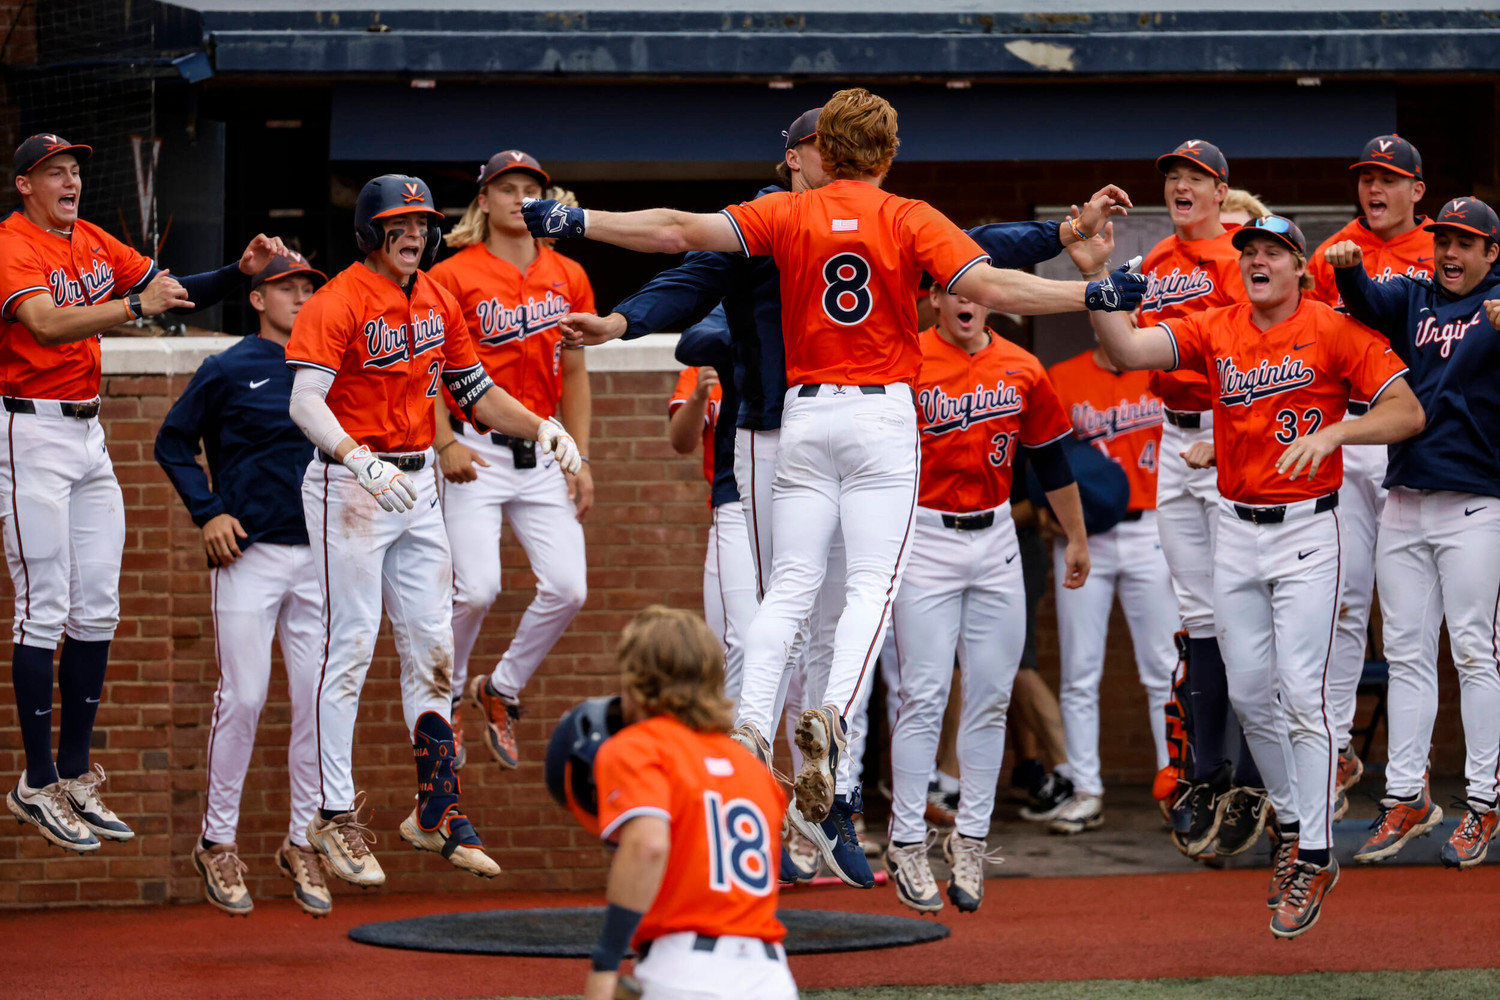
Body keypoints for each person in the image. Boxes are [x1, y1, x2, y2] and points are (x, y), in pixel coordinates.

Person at [524, 88, 1145, 889]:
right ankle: (826, 725)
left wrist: (581, 224)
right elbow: (986, 281)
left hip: (807, 417)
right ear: (882, 155)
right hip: (872, 417)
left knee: (790, 592)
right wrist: (1090, 292)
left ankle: (761, 736)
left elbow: (675, 228)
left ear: (830, 153)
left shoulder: (785, 216)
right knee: (867, 597)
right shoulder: (903, 213)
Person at [1085, 214, 1424, 938]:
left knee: (1301, 693)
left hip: (1309, 526)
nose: (1258, 260)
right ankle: (1299, 824)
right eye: (1250, 252)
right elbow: (1126, 348)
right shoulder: (1216, 324)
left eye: (1273, 251)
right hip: (1235, 530)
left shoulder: (1333, 327)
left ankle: (1314, 853)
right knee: (1249, 693)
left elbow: (1405, 410)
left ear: (1300, 265)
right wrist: (1100, 285)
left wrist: (1336, 431)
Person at [283, 173, 581, 887]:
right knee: (349, 643)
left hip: (417, 481)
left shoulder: (435, 295)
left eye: (421, 222)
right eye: (399, 223)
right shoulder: (338, 298)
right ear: (369, 231)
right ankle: (331, 816)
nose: (414, 232)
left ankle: (436, 809)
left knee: (436, 648)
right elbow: (304, 401)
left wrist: (544, 427)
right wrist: (356, 460)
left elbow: (473, 388)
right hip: (352, 482)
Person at [0, 132, 293, 852]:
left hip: (86, 433)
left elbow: (173, 290)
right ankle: (35, 782)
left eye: (73, 170)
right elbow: (43, 323)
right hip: (27, 430)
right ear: (24, 186)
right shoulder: (12, 242)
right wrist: (133, 308)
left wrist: (238, 270)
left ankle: (73, 775)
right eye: (53, 172)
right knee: (45, 608)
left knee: (98, 603)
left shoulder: (94, 240)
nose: (68, 181)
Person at [885, 280, 1089, 914]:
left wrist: (1076, 536)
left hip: (997, 532)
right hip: (924, 534)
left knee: (992, 696)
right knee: (923, 692)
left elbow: (1052, 459)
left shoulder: (1022, 365)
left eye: (978, 292)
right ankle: (907, 840)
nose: (968, 302)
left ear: (992, 301)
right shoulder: (904, 358)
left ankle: (970, 838)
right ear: (936, 301)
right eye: (954, 292)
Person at [1093, 140, 1265, 857]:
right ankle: (1206, 772)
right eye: (1172, 177)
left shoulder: (1242, 257)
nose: (1181, 187)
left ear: (1222, 191)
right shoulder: (1156, 264)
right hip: (1174, 433)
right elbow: (1113, 357)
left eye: (1195, 177)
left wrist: (1231, 437)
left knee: (1246, 608)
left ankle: (1256, 778)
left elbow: (1268, 356)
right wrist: (1102, 285)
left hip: (1235, 434)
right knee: (1196, 614)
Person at [154, 254, 331, 917]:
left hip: (320, 559)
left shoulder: (329, 368)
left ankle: (301, 840)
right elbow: (172, 441)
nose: (302, 296)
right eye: (289, 287)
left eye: (309, 287)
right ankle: (217, 841)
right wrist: (208, 511)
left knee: (317, 702)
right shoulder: (228, 367)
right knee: (247, 696)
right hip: (250, 555)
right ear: (258, 298)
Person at [1327, 197, 1500, 869]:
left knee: (1476, 655)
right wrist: (1345, 272)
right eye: (1445, 240)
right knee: (1405, 653)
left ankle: (1484, 804)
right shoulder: (1415, 293)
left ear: (1491, 254)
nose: (1451, 253)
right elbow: (1368, 301)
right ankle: (1406, 795)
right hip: (1405, 496)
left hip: (1476, 502)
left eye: (1466, 244)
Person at [428, 150, 594, 771]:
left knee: (569, 588)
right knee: (476, 590)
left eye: (531, 188)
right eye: (507, 188)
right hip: (476, 448)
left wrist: (581, 457)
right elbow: (427, 370)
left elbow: (574, 373)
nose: (519, 198)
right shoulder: (453, 274)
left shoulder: (569, 275)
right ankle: (446, 698)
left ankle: (500, 689)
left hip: (545, 454)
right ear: (484, 200)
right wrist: (443, 439)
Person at [551, 606, 796, 1000]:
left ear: (636, 679)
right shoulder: (752, 770)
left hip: (683, 968)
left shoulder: (637, 746)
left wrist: (605, 963)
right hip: (771, 977)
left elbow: (649, 845)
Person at [1307, 135, 1434, 811]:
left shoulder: (1442, 252)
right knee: (1345, 601)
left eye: (1388, 178)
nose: (1374, 190)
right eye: (1366, 178)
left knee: (1419, 616)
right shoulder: (1332, 254)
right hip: (1351, 433)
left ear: (1418, 189)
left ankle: (1419, 768)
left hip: (1419, 439)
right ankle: (1337, 751)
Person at [668, 313, 758, 706]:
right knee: (729, 648)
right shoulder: (707, 356)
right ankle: (736, 760)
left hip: (780, 508)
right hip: (730, 512)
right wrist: (700, 395)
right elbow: (682, 441)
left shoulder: (775, 350)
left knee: (789, 657)